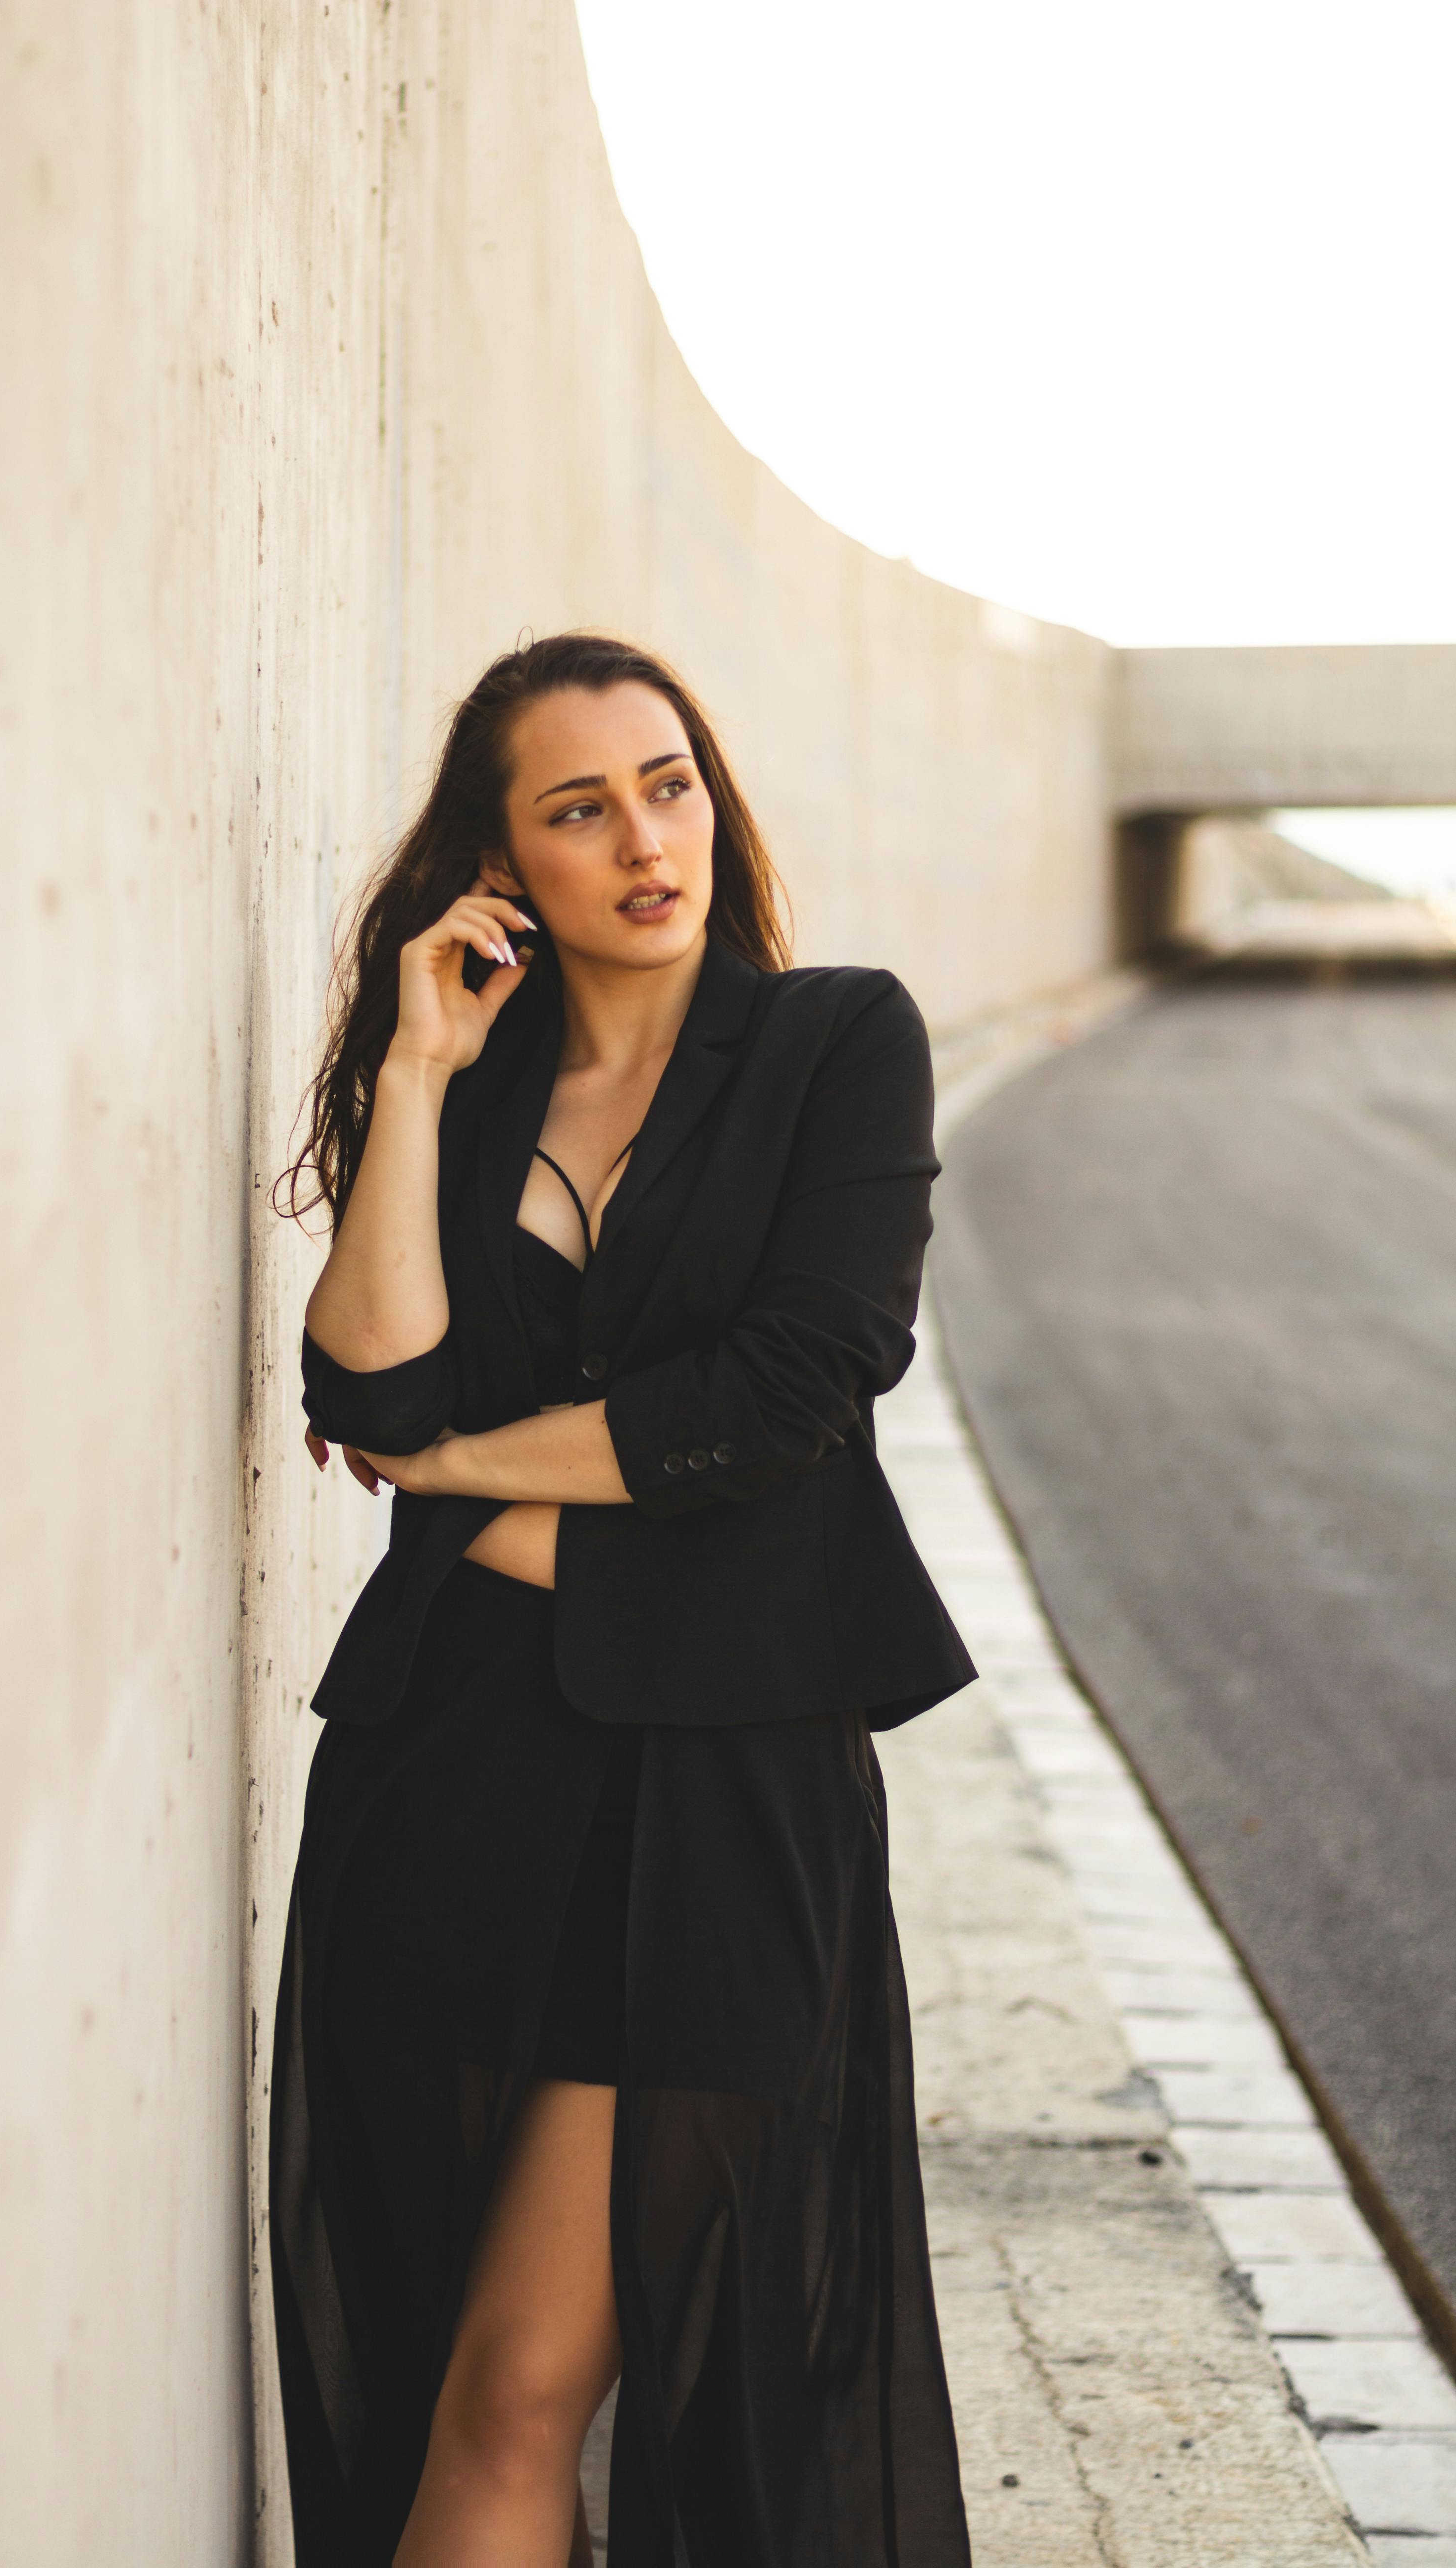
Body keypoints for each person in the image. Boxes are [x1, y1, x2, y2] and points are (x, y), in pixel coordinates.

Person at [270, 632, 976, 2568]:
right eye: (579, 809)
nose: (644, 840)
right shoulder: (468, 1079)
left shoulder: (838, 1039)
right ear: (501, 858)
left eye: (667, 785)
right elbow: (366, 1385)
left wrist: (474, 1463)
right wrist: (414, 1067)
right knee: (431, 2368)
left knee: (523, 2391)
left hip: (722, 1782)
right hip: (454, 1764)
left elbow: (790, 1392)